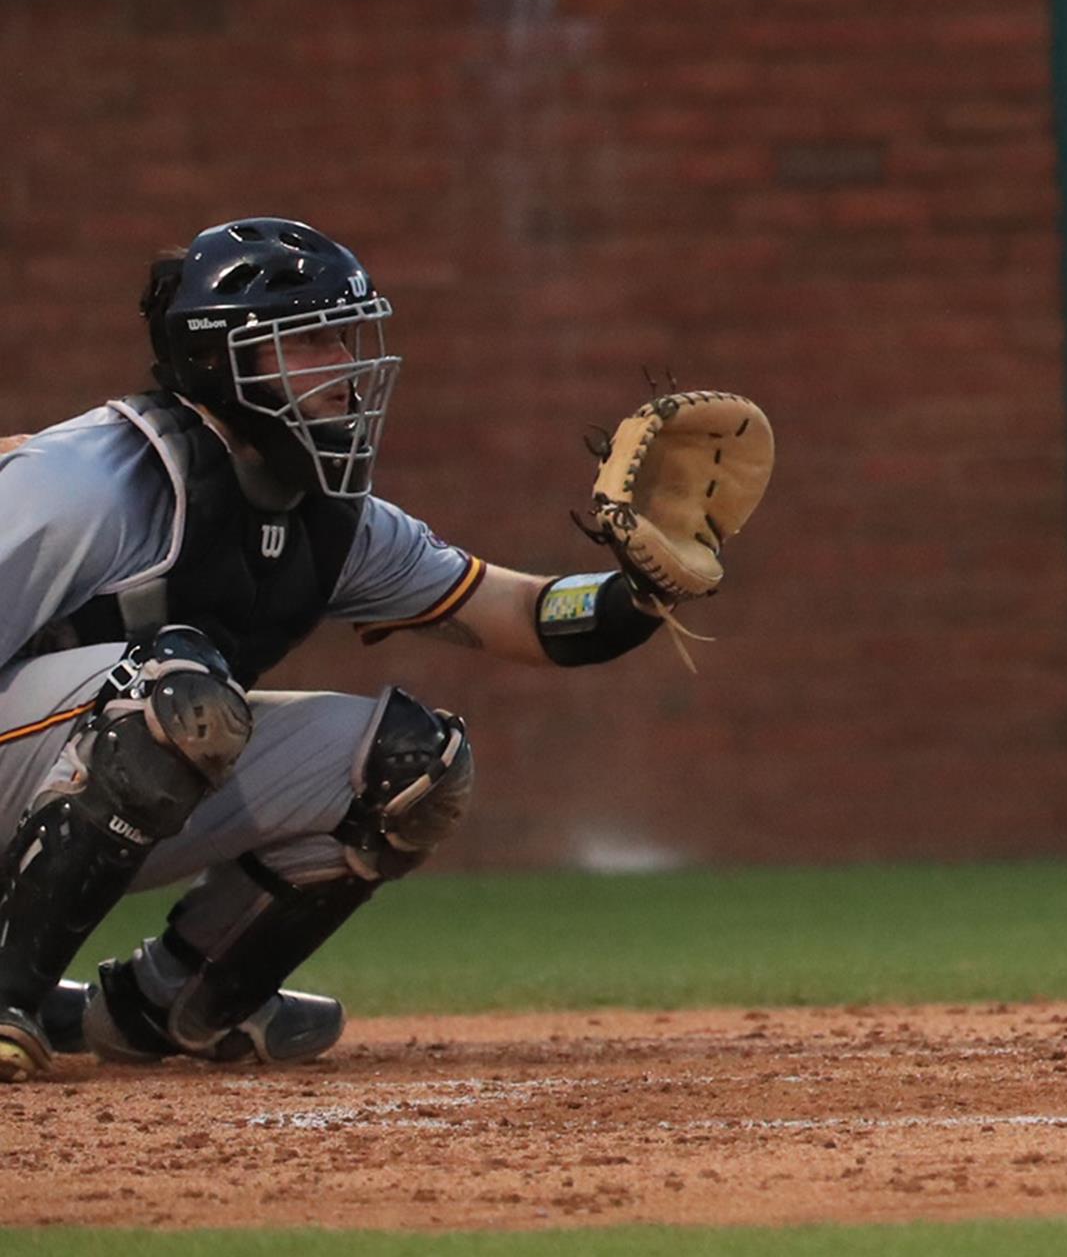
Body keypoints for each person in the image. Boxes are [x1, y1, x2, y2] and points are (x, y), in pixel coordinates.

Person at [0, 219, 706, 1080]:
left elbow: (519, 613)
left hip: (68, 773)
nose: (344, 363)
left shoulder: (331, 518)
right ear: (218, 358)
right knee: (172, 691)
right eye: (308, 340)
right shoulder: (91, 477)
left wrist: (641, 590)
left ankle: (174, 1003)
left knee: (410, 765)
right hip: (42, 760)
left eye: (345, 334)